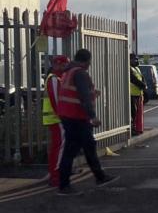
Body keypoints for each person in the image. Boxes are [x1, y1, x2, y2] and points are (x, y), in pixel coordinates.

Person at [56, 48, 117, 196]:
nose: (90, 64)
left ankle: (96, 177)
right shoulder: (80, 73)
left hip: (68, 115)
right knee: (82, 147)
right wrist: (92, 116)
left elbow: (76, 93)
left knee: (77, 148)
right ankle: (67, 185)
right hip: (77, 117)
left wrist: (92, 94)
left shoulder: (68, 72)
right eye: (90, 61)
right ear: (87, 60)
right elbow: (83, 96)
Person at [41, 55, 70, 187]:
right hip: (56, 118)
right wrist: (63, 115)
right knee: (59, 147)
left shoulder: (57, 78)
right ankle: (56, 175)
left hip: (55, 117)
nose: (65, 68)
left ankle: (56, 173)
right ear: (58, 65)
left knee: (57, 147)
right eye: (64, 65)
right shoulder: (53, 78)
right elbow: (56, 99)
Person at [129, 53, 146, 136]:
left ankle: (137, 128)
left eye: (137, 59)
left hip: (138, 94)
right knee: (133, 113)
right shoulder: (129, 68)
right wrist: (142, 85)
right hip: (131, 94)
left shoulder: (137, 69)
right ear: (130, 60)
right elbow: (133, 79)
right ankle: (133, 129)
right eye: (134, 59)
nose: (136, 61)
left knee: (137, 113)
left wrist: (144, 86)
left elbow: (142, 78)